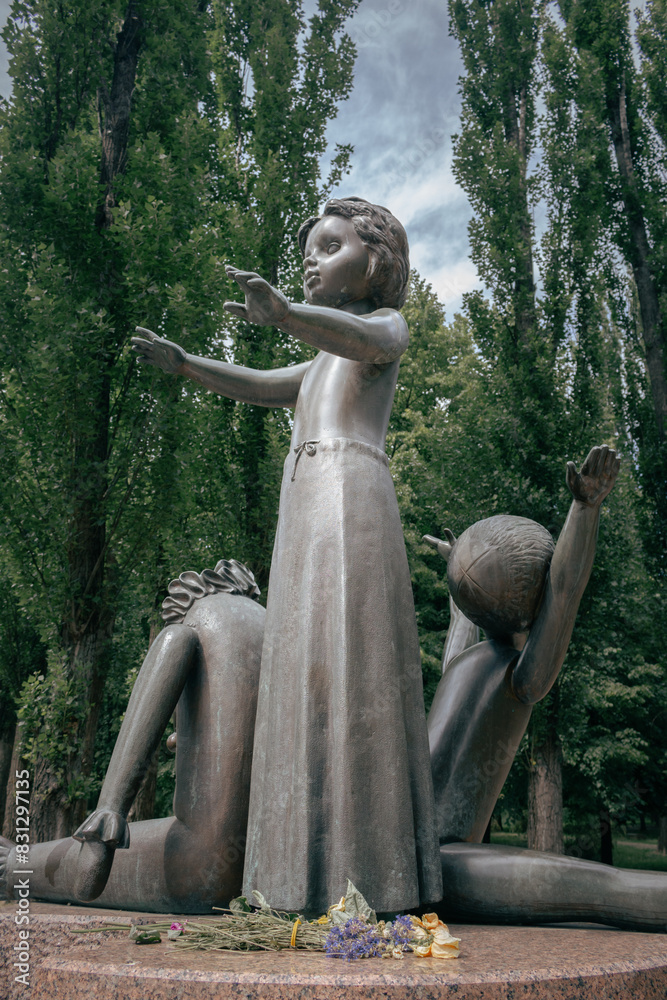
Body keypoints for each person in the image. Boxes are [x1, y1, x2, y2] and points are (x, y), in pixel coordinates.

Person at [1, 198, 442, 916]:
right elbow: (257, 384)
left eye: (329, 247)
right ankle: (295, 874)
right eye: (310, 249)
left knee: (350, 655)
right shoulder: (312, 367)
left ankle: (370, 875)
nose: (311, 259)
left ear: (377, 260)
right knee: (304, 667)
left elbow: (363, 340)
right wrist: (186, 365)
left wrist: (288, 317)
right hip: (304, 510)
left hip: (349, 500)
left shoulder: (383, 328)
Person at [425, 446, 667, 931]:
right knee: (605, 888)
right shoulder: (518, 674)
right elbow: (564, 591)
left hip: (411, 857)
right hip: (442, 868)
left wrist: (462, 586)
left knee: (603, 887)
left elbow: (479, 623)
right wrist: (584, 510)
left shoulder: (464, 669)